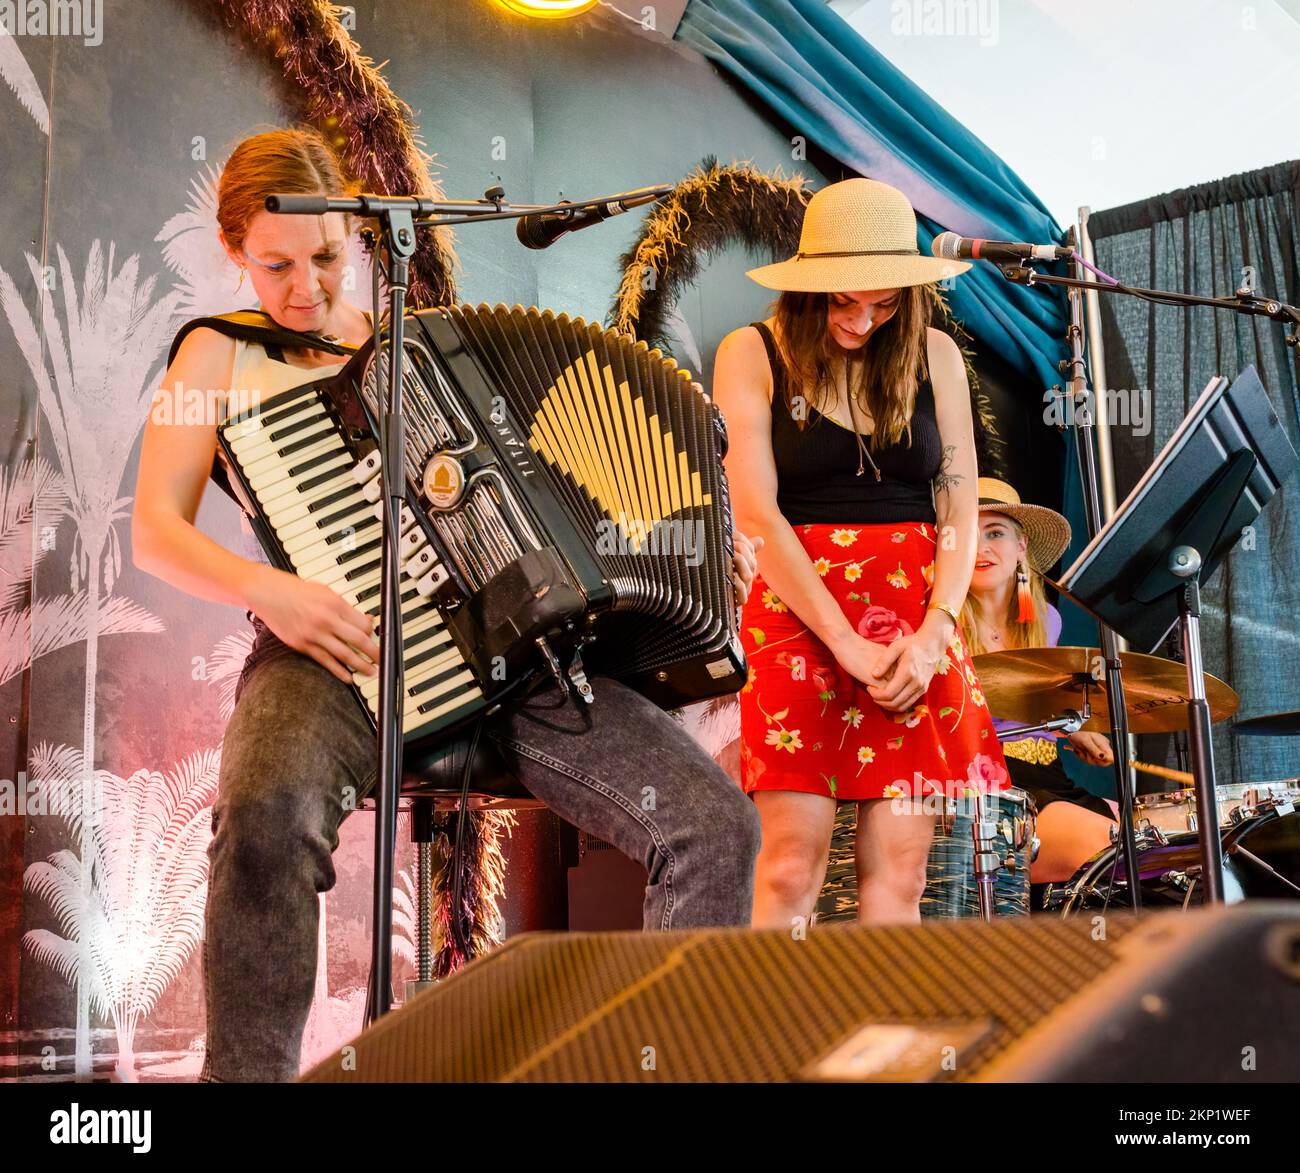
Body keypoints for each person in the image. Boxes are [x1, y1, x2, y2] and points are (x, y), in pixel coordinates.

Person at [131, 127, 763, 1082]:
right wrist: (273, 591)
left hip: (510, 661)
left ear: (360, 232)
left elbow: (541, 486)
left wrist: (685, 534)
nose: (307, 286)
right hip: (328, 649)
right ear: (234, 253)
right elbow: (155, 532)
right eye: (276, 264)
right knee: (265, 809)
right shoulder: (217, 357)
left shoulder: (417, 348)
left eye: (328, 257)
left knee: (716, 825)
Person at [712, 177, 1009, 929]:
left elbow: (958, 498)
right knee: (788, 863)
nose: (863, 319)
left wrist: (940, 627)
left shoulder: (934, 354)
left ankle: (874, 1044)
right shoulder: (751, 352)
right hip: (797, 616)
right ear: (808, 287)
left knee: (902, 872)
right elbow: (755, 511)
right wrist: (841, 639)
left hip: (914, 624)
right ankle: (768, 1049)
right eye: (844, 301)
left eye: (883, 303)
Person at [960, 477, 1117, 889]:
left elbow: (1032, 698)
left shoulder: (1047, 619)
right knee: (1110, 846)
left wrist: (1075, 728)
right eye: (965, 535)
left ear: (1022, 546)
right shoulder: (940, 624)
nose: (980, 548)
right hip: (987, 783)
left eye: (995, 533)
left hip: (1048, 774)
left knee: (1151, 834)